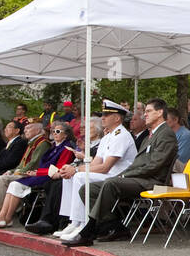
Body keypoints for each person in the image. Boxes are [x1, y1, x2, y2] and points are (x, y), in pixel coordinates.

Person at [61, 98, 177, 246]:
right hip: (139, 178)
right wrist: (126, 174)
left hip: (152, 181)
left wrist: (124, 175)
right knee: (88, 189)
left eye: (148, 111)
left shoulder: (165, 133)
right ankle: (115, 227)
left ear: (160, 112)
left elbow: (155, 166)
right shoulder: (153, 133)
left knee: (110, 183)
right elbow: (138, 163)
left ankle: (89, 231)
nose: (145, 115)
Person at [38, 102, 137, 238]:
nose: (103, 117)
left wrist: (77, 170)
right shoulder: (108, 137)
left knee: (78, 176)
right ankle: (74, 221)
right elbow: (96, 163)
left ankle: (83, 223)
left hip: (119, 176)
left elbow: (105, 167)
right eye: (103, 114)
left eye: (107, 115)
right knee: (70, 174)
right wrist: (73, 169)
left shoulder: (122, 136)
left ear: (117, 118)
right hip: (108, 174)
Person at [0, 122, 75, 228]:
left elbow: (59, 168)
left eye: (58, 131)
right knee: (13, 185)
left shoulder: (66, 148)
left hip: (48, 176)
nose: (54, 133)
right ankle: (2, 217)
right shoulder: (54, 146)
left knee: (15, 185)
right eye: (53, 131)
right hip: (41, 174)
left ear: (66, 134)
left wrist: (37, 172)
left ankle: (7, 218)